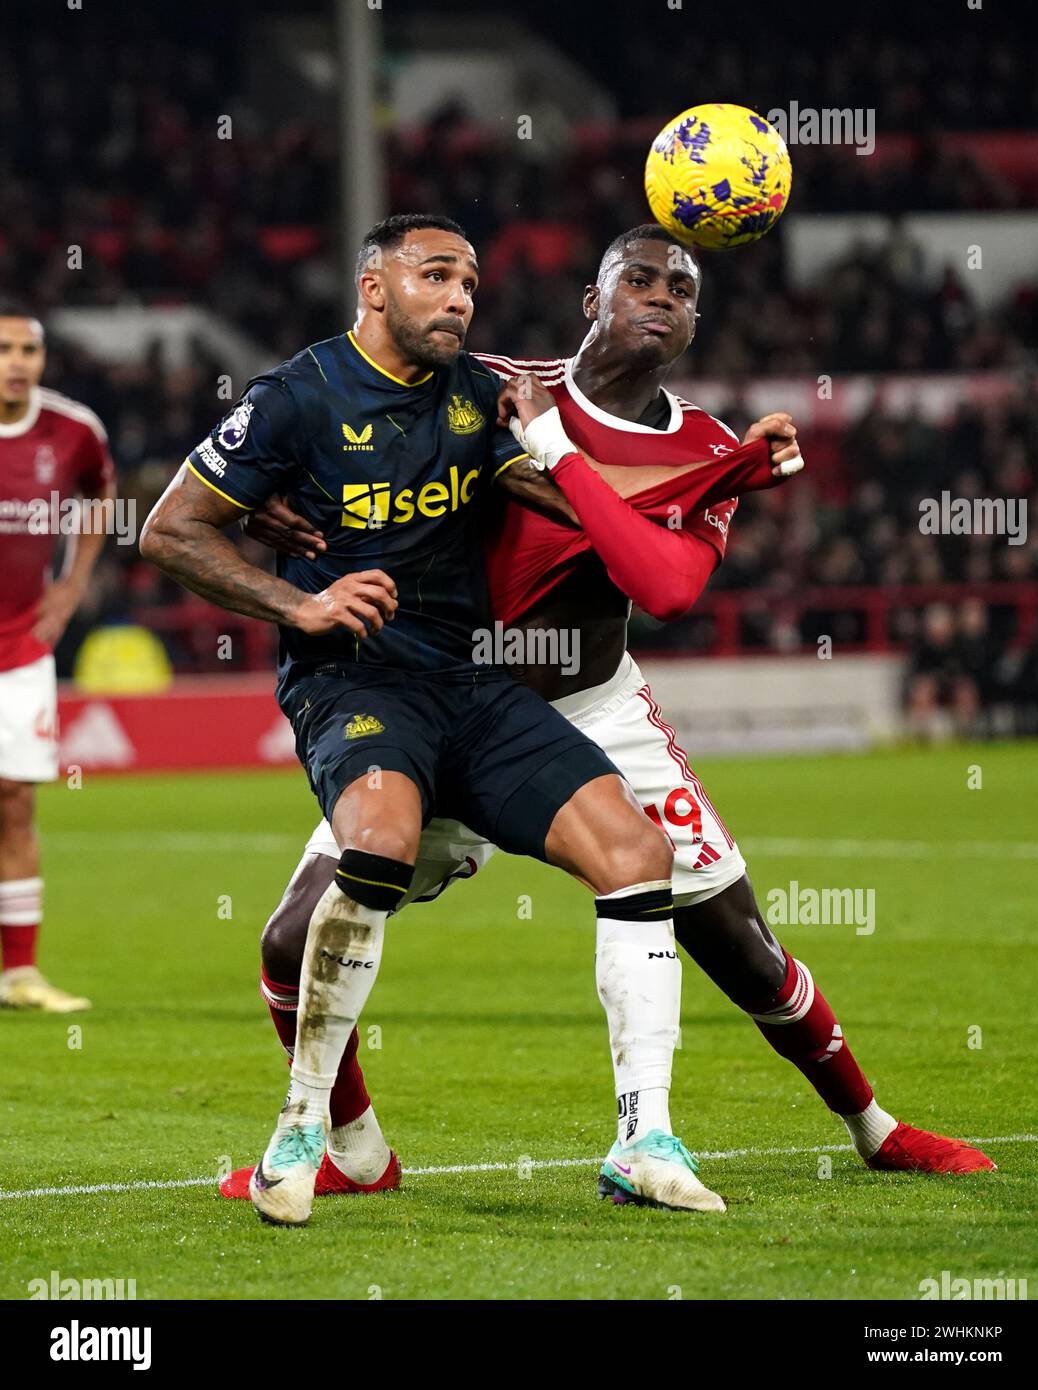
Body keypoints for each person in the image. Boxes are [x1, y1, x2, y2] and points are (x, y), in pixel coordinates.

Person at [223, 224, 993, 1209]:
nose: (659, 294)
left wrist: (570, 451)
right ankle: (353, 1148)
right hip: (445, 703)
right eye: (636, 277)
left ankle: (868, 1126)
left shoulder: (707, 447)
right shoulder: (492, 382)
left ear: (692, 326)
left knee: (739, 943)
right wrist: (268, 503)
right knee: (293, 938)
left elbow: (663, 587)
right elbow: (331, 427)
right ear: (588, 300)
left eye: (681, 287)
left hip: (597, 709)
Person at [139, 214, 780, 1224]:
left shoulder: (481, 396)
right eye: (434, 275)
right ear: (373, 286)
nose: (459, 297)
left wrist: (729, 469)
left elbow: (583, 503)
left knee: (635, 852)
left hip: (468, 682)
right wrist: (297, 604)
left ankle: (644, 1138)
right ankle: (302, 1128)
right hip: (354, 683)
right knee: (380, 844)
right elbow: (169, 527)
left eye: (470, 282)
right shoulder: (295, 396)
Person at [0, 305, 115, 1013]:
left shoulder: (73, 431)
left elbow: (102, 496)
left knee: (15, 800)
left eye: (28, 350)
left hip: (21, 645)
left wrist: (73, 586)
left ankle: (19, 974)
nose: (17, 361)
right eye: (5, 348)